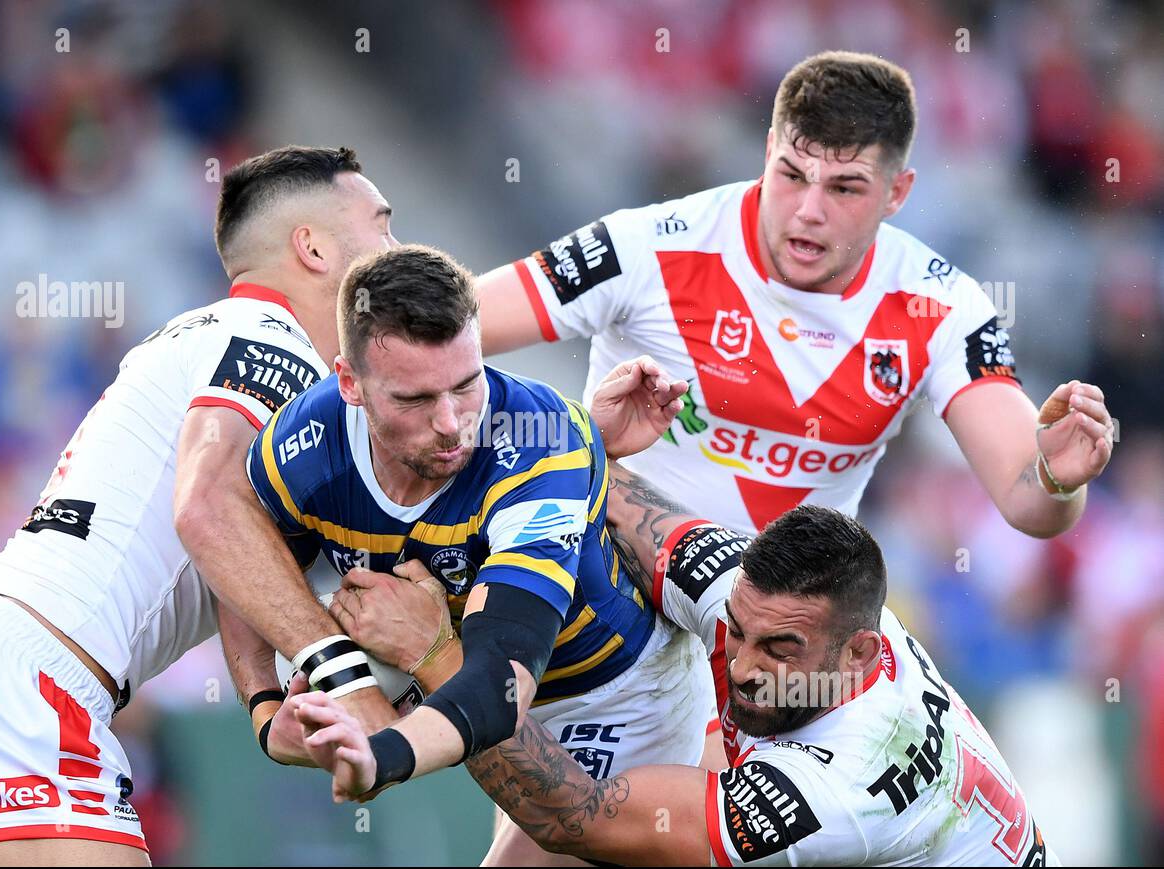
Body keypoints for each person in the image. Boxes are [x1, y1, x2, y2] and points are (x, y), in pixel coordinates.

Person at [0, 145, 398, 866]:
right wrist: (349, 680)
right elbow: (209, 511)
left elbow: (236, 539)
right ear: (312, 246)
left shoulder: (202, 336)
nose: (394, 249)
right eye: (382, 225)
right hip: (25, 679)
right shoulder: (275, 345)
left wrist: (265, 703)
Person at [477, 50, 1113, 538]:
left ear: (898, 193)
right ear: (767, 152)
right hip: (621, 593)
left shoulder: (946, 308)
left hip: (789, 641)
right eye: (791, 174)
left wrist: (1058, 478)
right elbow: (453, 329)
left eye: (844, 188)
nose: (808, 210)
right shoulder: (647, 245)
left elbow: (1028, 499)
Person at [245, 243, 712, 866]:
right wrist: (264, 709)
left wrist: (387, 743)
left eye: (468, 385)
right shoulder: (303, 445)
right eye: (414, 399)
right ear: (350, 383)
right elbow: (239, 555)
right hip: (466, 695)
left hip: (608, 696)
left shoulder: (540, 448)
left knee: (570, 836)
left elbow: (501, 685)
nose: (451, 423)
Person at [294, 496, 1059, 867]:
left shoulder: (841, 785)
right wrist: (589, 431)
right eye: (739, 632)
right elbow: (598, 493)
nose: (746, 667)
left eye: (780, 651)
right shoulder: (773, 604)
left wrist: (435, 652)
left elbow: (579, 819)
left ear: (859, 655)